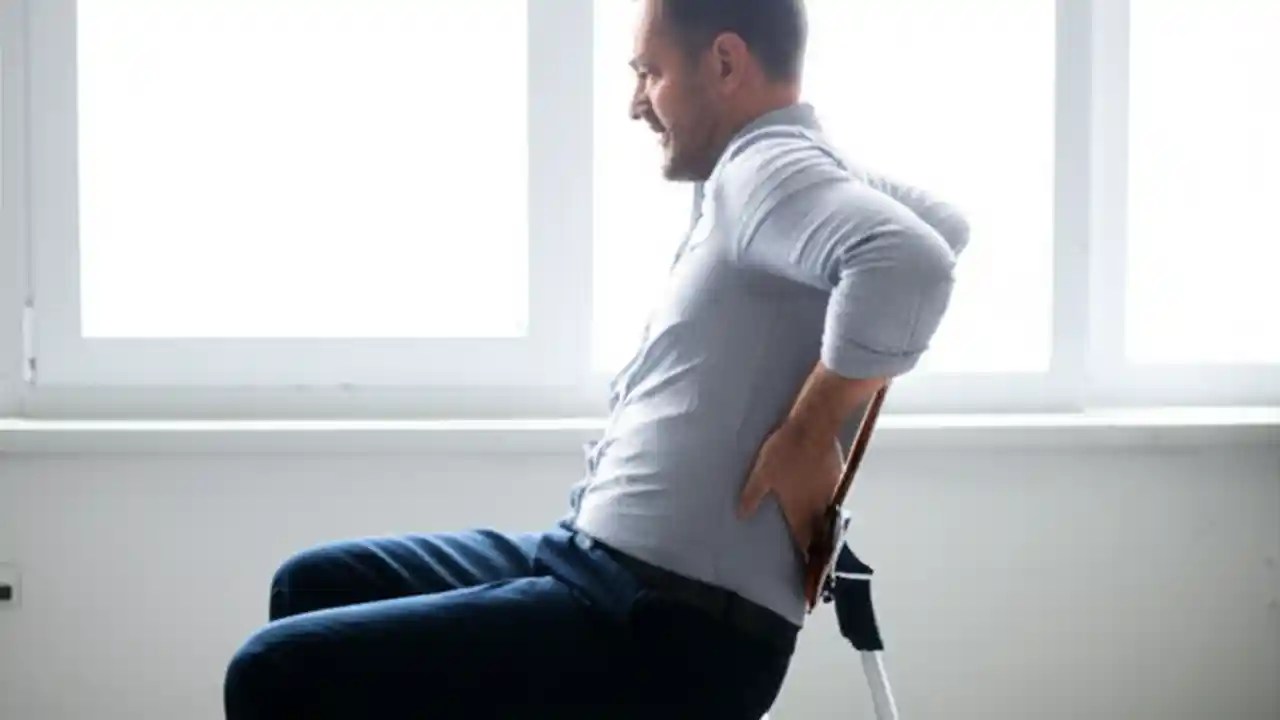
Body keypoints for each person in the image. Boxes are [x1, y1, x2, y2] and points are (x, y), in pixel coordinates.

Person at [223, 0, 969, 717]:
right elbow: (944, 224)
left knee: (273, 674)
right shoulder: (779, 161)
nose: (636, 103)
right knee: (312, 585)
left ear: (725, 61)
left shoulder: (765, 170)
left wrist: (811, 432)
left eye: (649, 72)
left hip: (669, 628)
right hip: (596, 566)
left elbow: (915, 259)